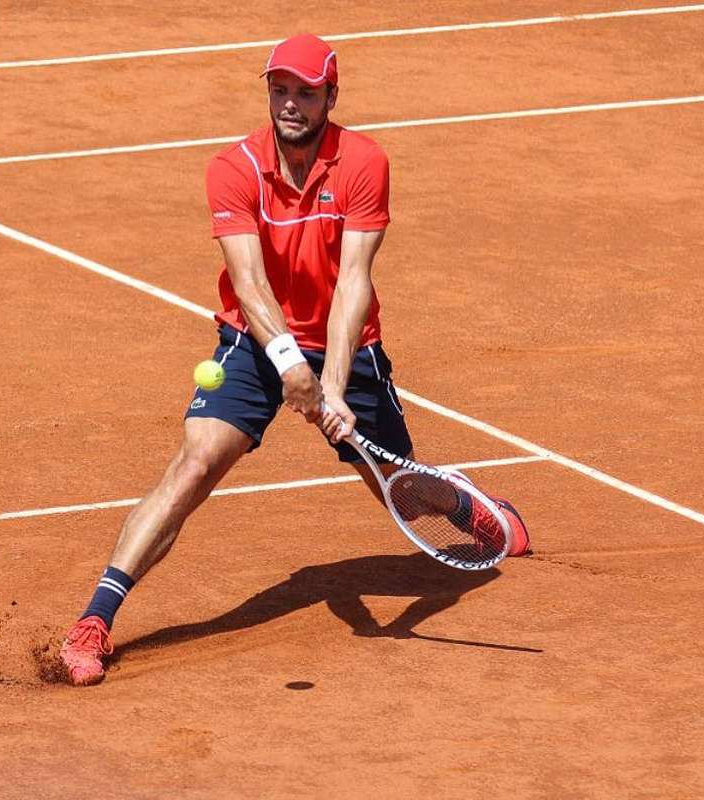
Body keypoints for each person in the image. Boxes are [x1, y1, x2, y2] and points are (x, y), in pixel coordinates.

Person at [58, 33, 531, 686]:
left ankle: (463, 501)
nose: (289, 102)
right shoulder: (234, 168)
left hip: (348, 347)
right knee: (195, 463)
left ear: (330, 97)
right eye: (279, 88)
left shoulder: (364, 163)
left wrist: (332, 385)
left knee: (403, 495)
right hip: (254, 342)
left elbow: (352, 285)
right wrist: (289, 366)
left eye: (305, 92)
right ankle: (95, 622)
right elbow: (249, 285)